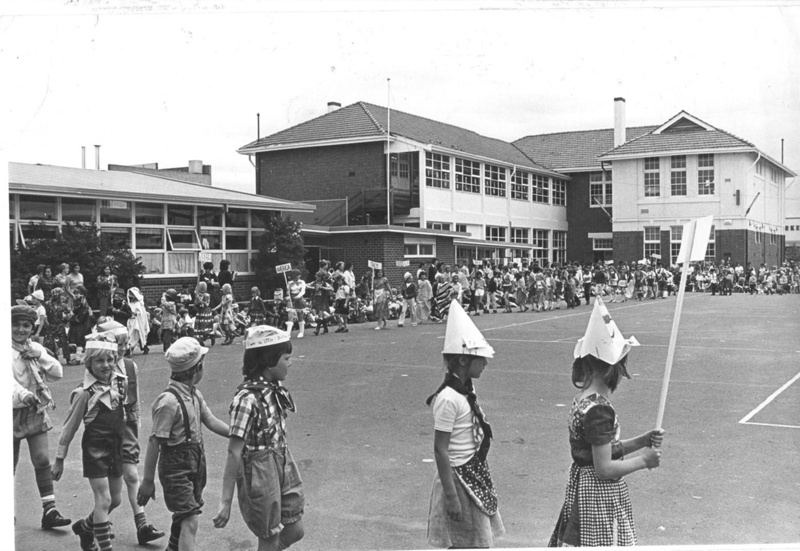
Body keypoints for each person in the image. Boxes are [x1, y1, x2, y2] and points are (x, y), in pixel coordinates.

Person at [548, 297, 664, 547]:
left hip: (583, 486)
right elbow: (604, 468)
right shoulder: (600, 409)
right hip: (597, 494)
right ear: (614, 368)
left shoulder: (583, 399)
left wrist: (642, 440)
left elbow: (601, 450)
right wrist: (643, 460)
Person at [213, 326, 305, 551]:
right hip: (260, 469)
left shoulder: (274, 389)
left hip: (282, 459)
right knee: (269, 536)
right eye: (286, 358)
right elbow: (234, 451)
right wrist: (226, 501)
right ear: (269, 360)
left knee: (296, 529)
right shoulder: (247, 399)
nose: (290, 362)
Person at [137, 337, 230, 551]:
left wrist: (237, 434)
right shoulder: (168, 402)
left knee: (184, 514)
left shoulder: (194, 395)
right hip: (175, 470)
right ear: (197, 368)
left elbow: (211, 420)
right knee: (190, 518)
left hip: (196, 465)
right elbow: (154, 442)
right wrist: (148, 480)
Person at [426, 300, 504, 548]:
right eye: (480, 358)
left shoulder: (466, 390)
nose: (485, 363)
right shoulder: (448, 398)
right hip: (458, 480)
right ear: (462, 361)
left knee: (475, 539)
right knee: (462, 541)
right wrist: (451, 497)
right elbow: (440, 449)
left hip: (473, 472)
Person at [93, 321, 166, 545]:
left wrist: (136, 425)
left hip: (127, 428)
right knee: (111, 497)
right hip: (106, 431)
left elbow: (135, 400)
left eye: (126, 343)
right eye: (119, 343)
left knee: (132, 475)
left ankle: (142, 524)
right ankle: (90, 525)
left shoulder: (130, 366)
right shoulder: (99, 367)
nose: (124, 347)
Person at [54, 336, 126, 551]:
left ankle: (85, 528)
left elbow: (125, 416)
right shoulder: (84, 392)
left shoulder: (120, 383)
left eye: (110, 360)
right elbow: (69, 427)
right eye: (99, 361)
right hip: (95, 449)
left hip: (116, 447)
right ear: (89, 363)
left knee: (115, 500)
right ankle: (105, 547)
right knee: (103, 499)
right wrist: (59, 459)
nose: (106, 365)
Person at [12, 305, 72, 531]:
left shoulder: (34, 347)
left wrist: (42, 356)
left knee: (41, 460)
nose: (20, 329)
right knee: (9, 464)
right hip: (10, 409)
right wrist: (23, 394)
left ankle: (50, 510)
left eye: (26, 325)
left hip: (34, 409)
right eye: (15, 324)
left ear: (32, 327)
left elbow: (57, 373)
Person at [68, 285, 95, 364]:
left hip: (82, 326)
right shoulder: (78, 303)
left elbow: (81, 318)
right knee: (80, 343)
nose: (76, 295)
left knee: (80, 342)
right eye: (75, 293)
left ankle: (78, 358)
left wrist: (72, 317)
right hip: (79, 326)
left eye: (78, 293)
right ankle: (80, 358)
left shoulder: (84, 305)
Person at [126, 287, 150, 355]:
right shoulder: (131, 303)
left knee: (138, 335)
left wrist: (136, 313)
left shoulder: (139, 303)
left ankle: (133, 348)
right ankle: (132, 348)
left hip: (138, 322)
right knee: (132, 335)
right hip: (132, 321)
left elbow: (141, 313)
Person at [193, 281, 215, 346]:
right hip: (199, 312)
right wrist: (196, 301)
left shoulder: (207, 295)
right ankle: (200, 340)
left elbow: (206, 304)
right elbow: (195, 303)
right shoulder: (198, 295)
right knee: (199, 326)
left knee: (205, 325)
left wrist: (199, 300)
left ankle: (210, 336)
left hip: (205, 312)